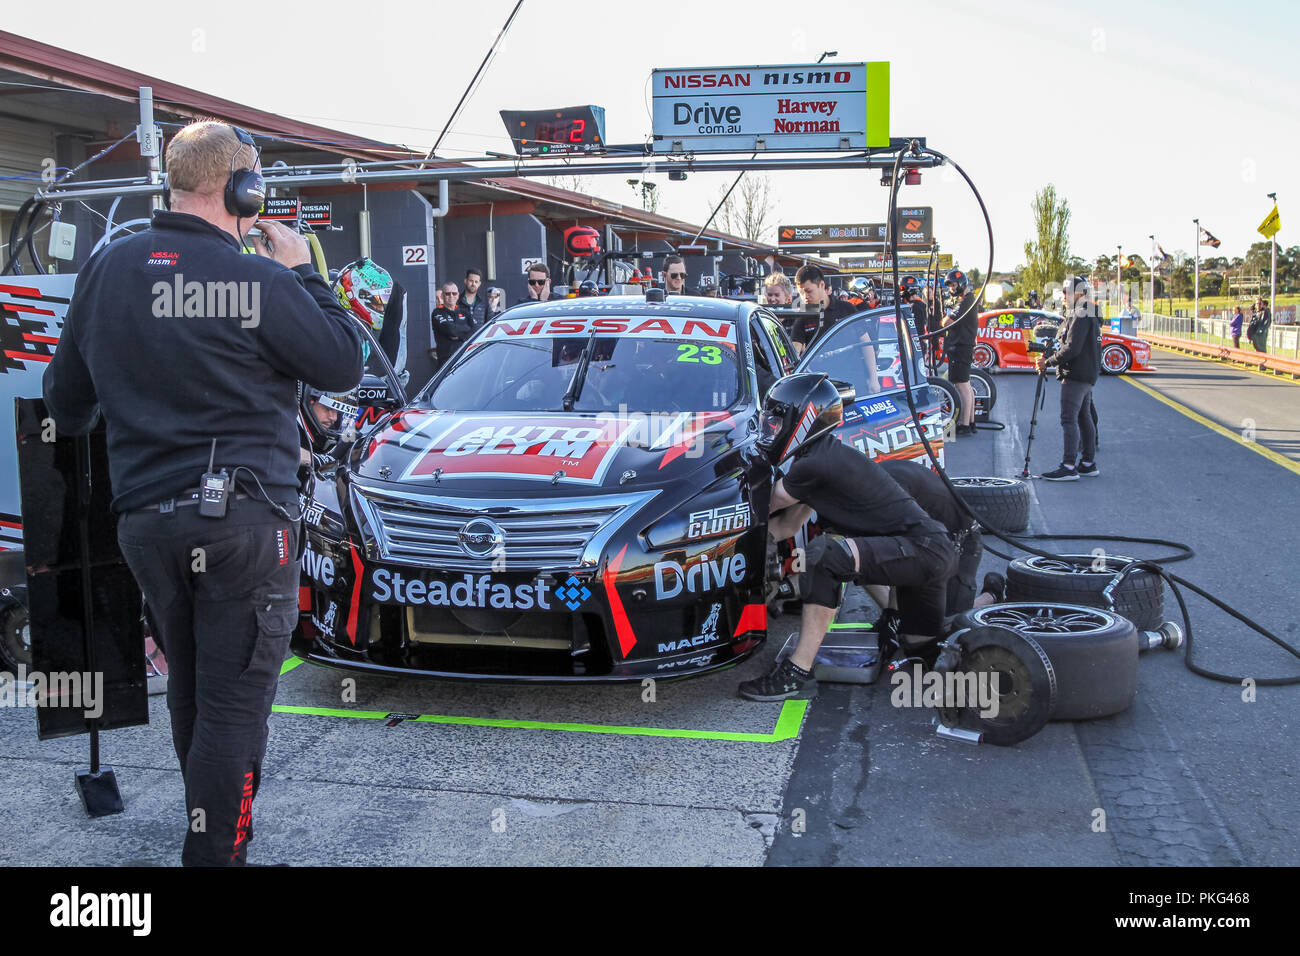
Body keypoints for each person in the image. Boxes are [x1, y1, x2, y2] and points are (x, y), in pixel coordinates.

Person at [42, 120, 364, 865]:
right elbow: (343, 360)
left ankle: (212, 837)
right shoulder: (256, 280)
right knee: (232, 703)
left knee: (192, 688)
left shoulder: (108, 267)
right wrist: (304, 272)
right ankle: (215, 854)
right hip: (243, 527)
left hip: (147, 524)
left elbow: (67, 403)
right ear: (243, 190)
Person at [738, 374, 957, 702]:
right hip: (918, 553)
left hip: (926, 551)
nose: (770, 427)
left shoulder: (815, 463)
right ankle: (987, 599)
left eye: (777, 418)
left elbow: (759, 506)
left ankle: (796, 673)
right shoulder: (819, 459)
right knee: (922, 651)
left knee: (826, 556)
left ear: (806, 417)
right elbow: (785, 527)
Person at [1036, 275, 1101, 481]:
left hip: (1076, 373)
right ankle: (1088, 463)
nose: (1064, 296)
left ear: (1080, 292)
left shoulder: (1081, 312)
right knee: (1084, 417)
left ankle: (1069, 465)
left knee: (1069, 419)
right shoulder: (1087, 311)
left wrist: (1049, 362)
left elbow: (1072, 347)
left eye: (1067, 292)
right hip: (1086, 373)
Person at [940, 268, 979, 436]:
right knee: (966, 385)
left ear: (961, 283)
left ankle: (963, 424)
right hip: (963, 345)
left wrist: (944, 318)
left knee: (961, 385)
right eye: (949, 286)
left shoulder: (965, 301)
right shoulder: (967, 299)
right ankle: (969, 422)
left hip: (961, 346)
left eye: (953, 285)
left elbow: (946, 322)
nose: (951, 289)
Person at [791, 263, 858, 356]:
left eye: (809, 291)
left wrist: (872, 371)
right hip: (816, 370)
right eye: (801, 292)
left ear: (822, 285)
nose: (805, 296)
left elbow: (866, 343)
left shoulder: (847, 309)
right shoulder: (802, 317)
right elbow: (795, 348)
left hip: (850, 368)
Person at [429, 280, 475, 371]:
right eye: (447, 294)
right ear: (442, 296)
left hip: (465, 359)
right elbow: (451, 330)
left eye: (454, 293)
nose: (451, 296)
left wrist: (458, 336)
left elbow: (474, 331)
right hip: (446, 362)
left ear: (458, 295)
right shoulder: (437, 312)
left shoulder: (464, 312)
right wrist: (465, 331)